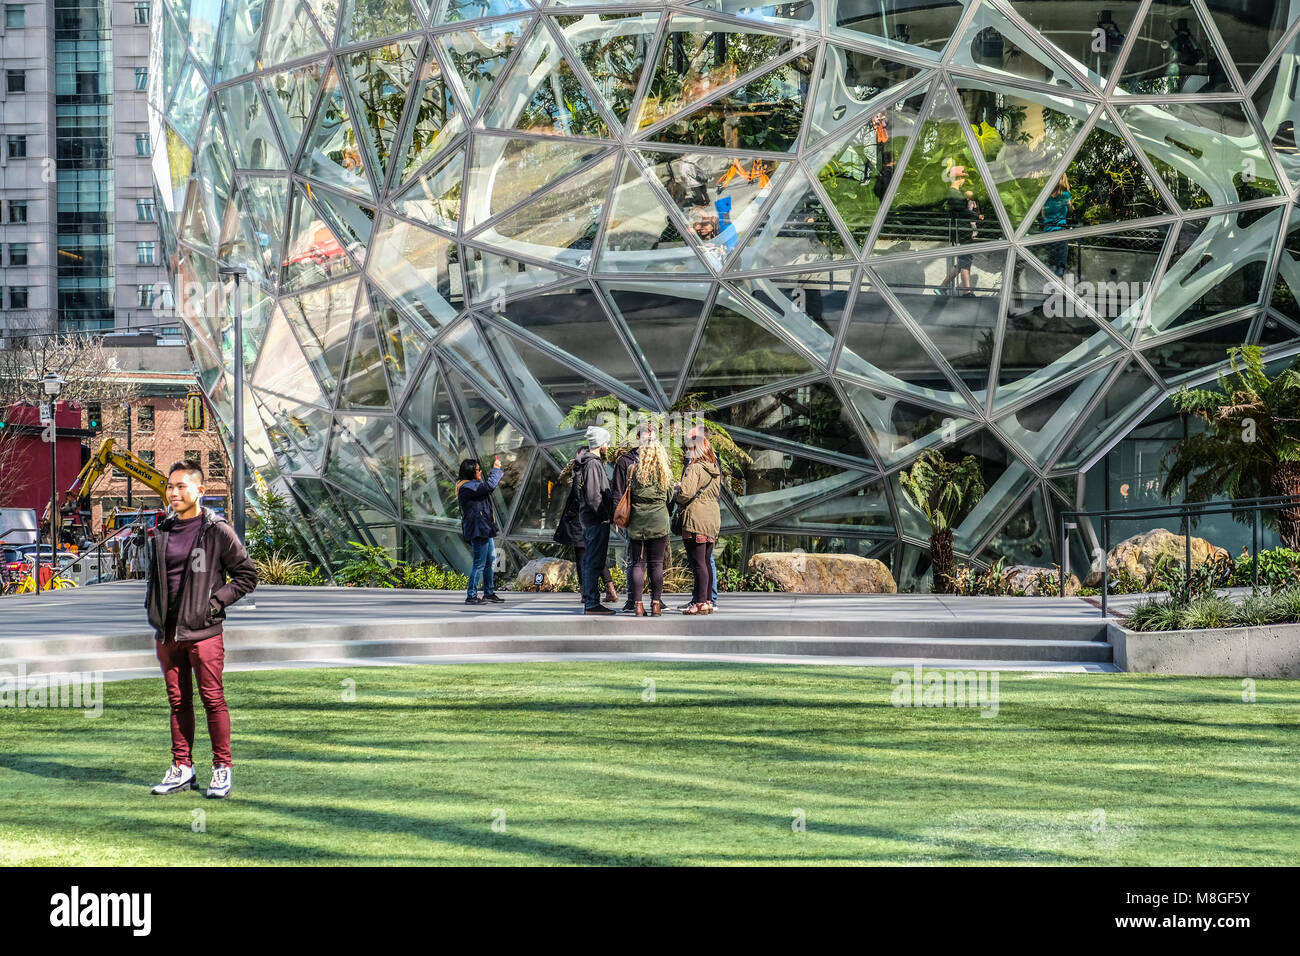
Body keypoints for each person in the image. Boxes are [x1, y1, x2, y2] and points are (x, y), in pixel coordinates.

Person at [147, 460, 257, 798]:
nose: (174, 492)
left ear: (200, 490)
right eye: (170, 486)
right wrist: (154, 612)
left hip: (204, 632)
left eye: (182, 486)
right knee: (177, 701)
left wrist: (214, 603)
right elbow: (158, 579)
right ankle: (182, 767)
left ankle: (222, 768)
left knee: (212, 699)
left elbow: (246, 576)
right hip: (168, 634)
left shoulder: (216, 529)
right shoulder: (163, 530)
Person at [619, 423, 671, 617]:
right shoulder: (664, 470)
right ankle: (656, 604)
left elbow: (626, 492)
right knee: (657, 564)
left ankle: (638, 605)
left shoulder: (632, 468)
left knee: (638, 564)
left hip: (637, 522)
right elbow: (669, 497)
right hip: (659, 520)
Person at [674, 431, 722, 615]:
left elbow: (686, 494)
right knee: (706, 562)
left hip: (696, 518)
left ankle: (700, 602)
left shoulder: (694, 468)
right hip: (711, 518)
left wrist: (678, 490)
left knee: (698, 562)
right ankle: (708, 600)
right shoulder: (714, 469)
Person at [576, 425, 616, 615]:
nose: (608, 446)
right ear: (600, 444)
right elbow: (594, 496)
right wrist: (605, 516)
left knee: (592, 559)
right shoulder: (593, 464)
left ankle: (591, 600)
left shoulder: (588, 463)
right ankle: (592, 602)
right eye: (607, 442)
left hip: (591, 519)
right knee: (593, 560)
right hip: (596, 520)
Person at [457, 455, 505, 606]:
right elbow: (489, 486)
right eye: (477, 470)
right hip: (478, 530)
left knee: (490, 560)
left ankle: (488, 593)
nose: (480, 472)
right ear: (471, 472)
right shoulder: (467, 487)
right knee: (479, 563)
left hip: (484, 528)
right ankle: (471, 596)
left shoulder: (473, 485)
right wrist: (496, 469)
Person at [1041, 175, 1073, 278]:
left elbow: (1043, 215)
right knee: (1060, 265)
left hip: (1047, 232)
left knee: (1052, 263)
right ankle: (1056, 288)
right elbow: (1070, 210)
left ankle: (1050, 287)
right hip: (1060, 232)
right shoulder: (1066, 195)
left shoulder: (1046, 196)